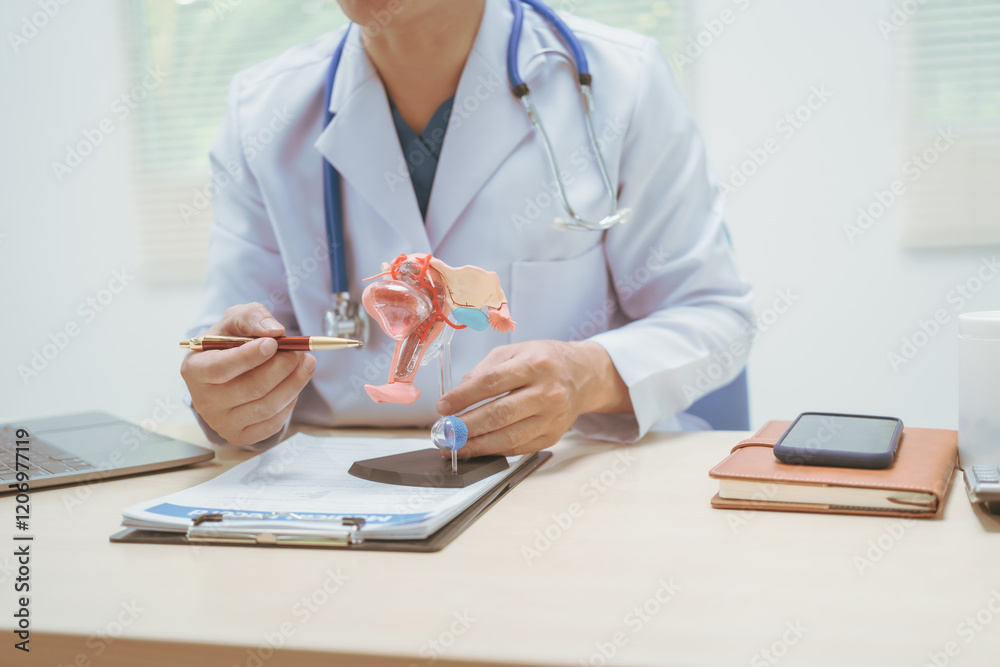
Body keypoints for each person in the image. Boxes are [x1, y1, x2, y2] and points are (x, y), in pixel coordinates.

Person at [180, 0, 755, 456]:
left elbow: (715, 316)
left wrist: (587, 375)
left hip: (561, 477)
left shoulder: (620, 82)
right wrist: (229, 393)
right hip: (336, 489)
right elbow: (229, 342)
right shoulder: (263, 111)